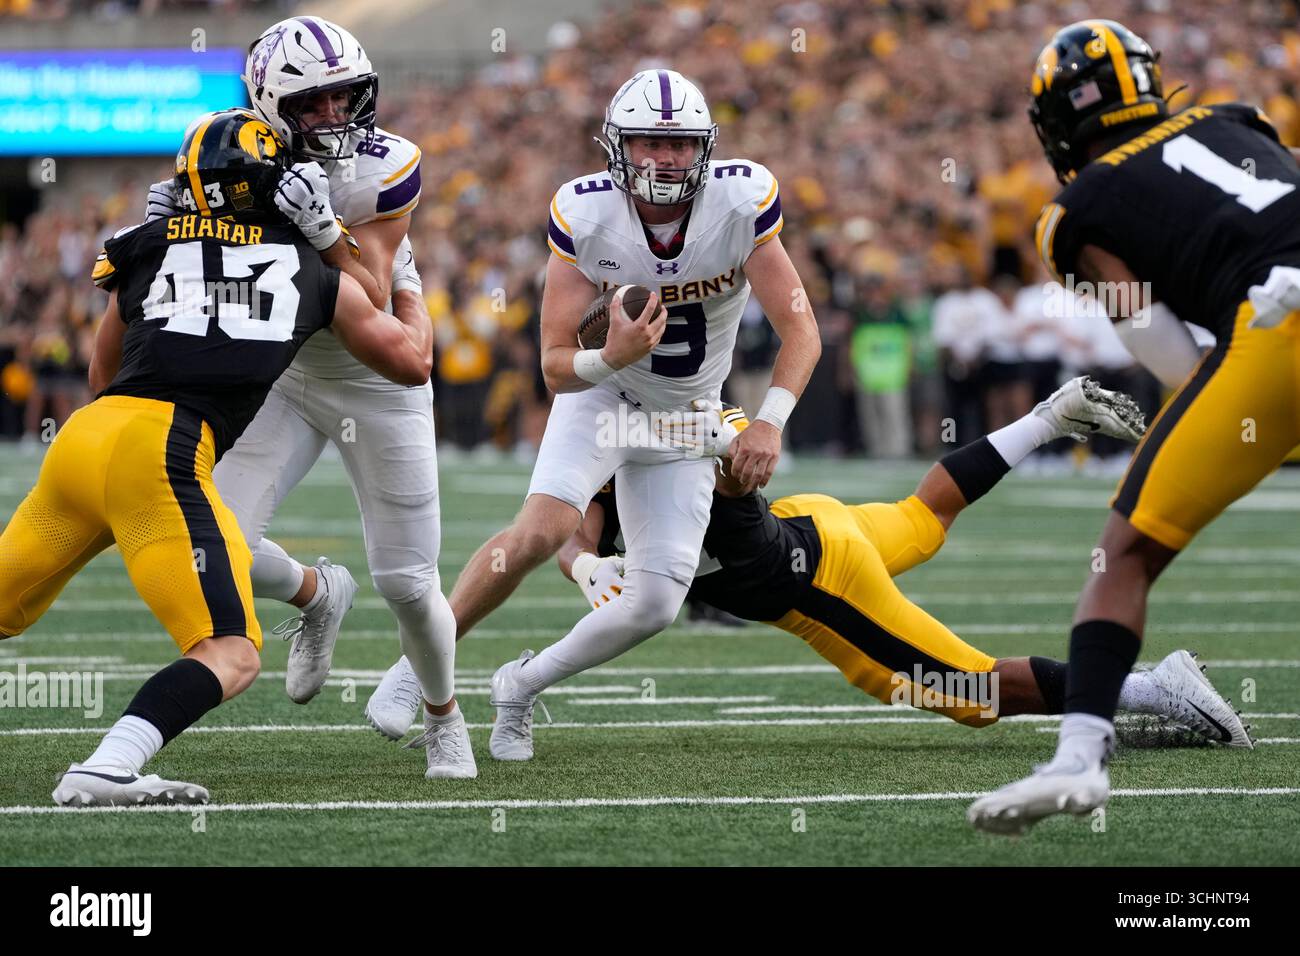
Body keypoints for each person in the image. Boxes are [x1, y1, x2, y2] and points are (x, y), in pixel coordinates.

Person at [364, 70, 822, 761]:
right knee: (540, 533)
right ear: (618, 145)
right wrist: (611, 357)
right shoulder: (587, 212)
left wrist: (766, 421)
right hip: (604, 396)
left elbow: (803, 331)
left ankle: (521, 685)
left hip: (688, 414)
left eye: (680, 145)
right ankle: (418, 665)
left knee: (655, 605)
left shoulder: (739, 202)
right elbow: (552, 364)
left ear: (704, 148)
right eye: (649, 142)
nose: (666, 159)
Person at [0, 110, 431, 806]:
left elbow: (100, 376)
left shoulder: (144, 243)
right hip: (161, 455)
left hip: (83, 444)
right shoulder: (312, 274)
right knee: (231, 652)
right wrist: (409, 290)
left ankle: (314, 593)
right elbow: (412, 364)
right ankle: (108, 766)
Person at [970, 19, 1299, 833]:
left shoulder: (1077, 212)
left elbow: (1171, 358)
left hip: (1281, 321)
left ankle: (1079, 759)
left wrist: (1256, 420)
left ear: (1056, 124)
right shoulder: (1236, 120)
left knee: (1124, 554)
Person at [146, 17, 473, 778]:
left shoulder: (383, 167)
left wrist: (324, 228)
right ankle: (317, 592)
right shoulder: (231, 151)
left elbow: (370, 295)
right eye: (313, 103)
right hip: (286, 369)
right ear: (267, 106)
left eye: (345, 97)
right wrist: (175, 234)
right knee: (210, 536)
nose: (334, 117)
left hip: (372, 371)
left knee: (406, 580)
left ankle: (443, 714)